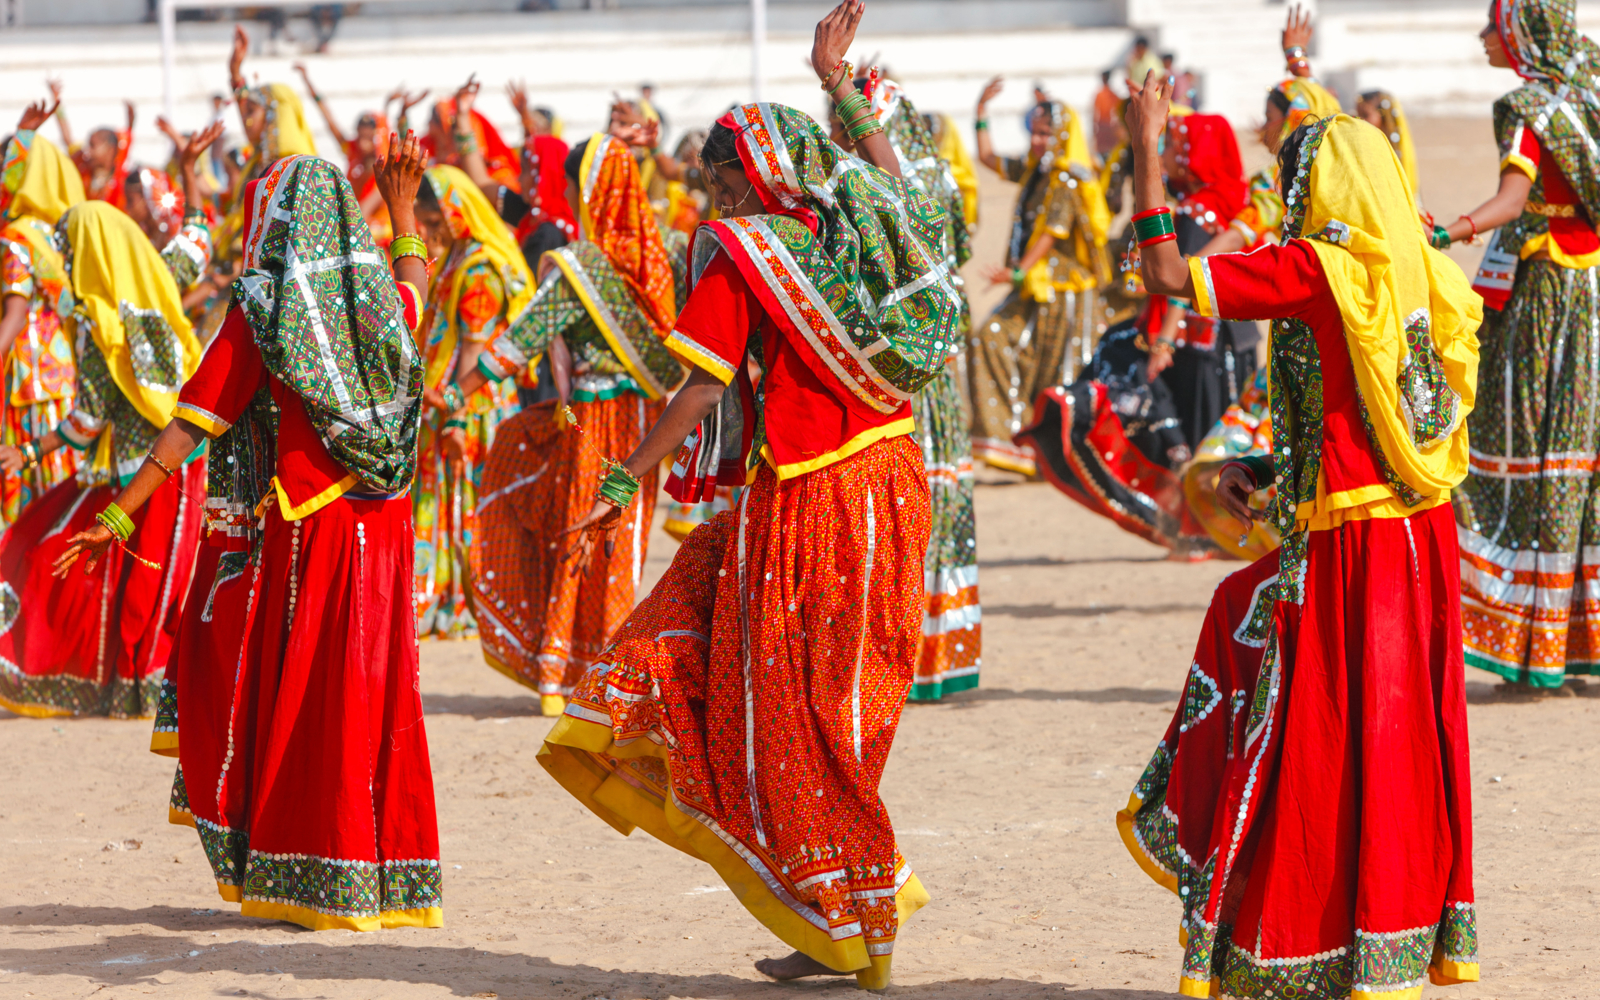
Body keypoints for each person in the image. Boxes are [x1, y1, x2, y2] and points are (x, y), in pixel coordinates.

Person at [537, 3, 959, 988]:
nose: (711, 200)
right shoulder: (859, 221)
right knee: (834, 708)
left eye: (716, 181)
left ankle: (852, 902)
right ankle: (846, 898)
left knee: (783, 710)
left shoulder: (747, 254)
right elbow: (906, 197)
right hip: (894, 487)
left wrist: (620, 477)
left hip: (810, 506)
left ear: (743, 179)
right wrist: (839, 85)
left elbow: (697, 386)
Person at [1117, 70, 1480, 999]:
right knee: (1386, 741)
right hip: (1415, 537)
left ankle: (1296, 926)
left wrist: (1145, 147)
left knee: (1326, 733)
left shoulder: (1322, 268)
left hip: (1355, 552)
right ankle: (1371, 939)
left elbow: (1165, 273)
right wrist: (1283, 477)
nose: (1290, 203)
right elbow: (1383, 411)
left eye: (1299, 182)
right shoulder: (1415, 268)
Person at [59, 141, 441, 932]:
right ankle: (374, 879)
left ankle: (308, 876)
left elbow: (194, 419)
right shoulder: (375, 301)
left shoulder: (267, 310)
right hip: (385, 523)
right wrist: (401, 208)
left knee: (308, 698)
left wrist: (119, 514)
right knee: (371, 692)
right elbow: (415, 286)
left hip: (314, 526)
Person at [440, 129, 686, 714]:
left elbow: (520, 340)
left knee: (584, 535)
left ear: (590, 192)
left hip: (591, 424)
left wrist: (456, 394)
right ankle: (608, 673)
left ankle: (569, 672)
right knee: (622, 542)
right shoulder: (660, 259)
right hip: (648, 420)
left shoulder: (582, 269)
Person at [0, 116, 221, 719]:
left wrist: (33, 451)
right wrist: (191, 175)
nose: (64, 259)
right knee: (173, 583)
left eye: (70, 250)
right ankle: (164, 685)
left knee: (61, 555)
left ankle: (134, 689)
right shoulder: (161, 280)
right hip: (194, 460)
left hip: (137, 475)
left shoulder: (103, 327)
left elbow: (89, 421)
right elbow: (198, 238)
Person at [1441, 0, 1600, 695]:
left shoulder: (1530, 109)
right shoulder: (1589, 97)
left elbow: (1514, 198)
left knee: (1521, 450)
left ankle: (1534, 652)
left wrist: (1452, 230)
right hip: (1590, 290)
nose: (1482, 39)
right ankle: (1580, 643)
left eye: (1492, 27)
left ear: (1522, 35)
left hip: (1542, 301)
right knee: (1581, 453)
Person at [831, 69, 982, 699]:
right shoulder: (938, 180)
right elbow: (964, 252)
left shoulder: (873, 190)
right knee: (937, 507)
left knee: (890, 513)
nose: (835, 132)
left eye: (844, 123)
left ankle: (886, 661)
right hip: (940, 376)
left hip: (896, 370)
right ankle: (937, 660)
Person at [411, 161, 534, 639]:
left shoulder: (480, 266)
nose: (433, 229)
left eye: (436, 219)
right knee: (450, 499)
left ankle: (466, 598)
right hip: (448, 398)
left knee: (469, 500)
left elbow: (476, 346)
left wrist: (456, 411)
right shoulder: (461, 255)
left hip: (473, 403)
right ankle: (448, 594)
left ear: (456, 210)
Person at [968, 76, 1112, 475]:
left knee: (1054, 375)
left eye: (1046, 134)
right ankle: (1014, 445)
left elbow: (1053, 230)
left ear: (1061, 136)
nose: (1037, 141)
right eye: (1035, 133)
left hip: (1065, 292)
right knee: (993, 339)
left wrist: (1017, 271)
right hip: (1037, 286)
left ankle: (1052, 460)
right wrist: (981, 112)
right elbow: (987, 159)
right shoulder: (1035, 170)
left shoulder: (1066, 177)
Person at [0, 101, 85, 527]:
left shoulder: (16, 238)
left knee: (33, 491)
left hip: (28, 378)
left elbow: (14, 318)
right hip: (65, 373)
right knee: (63, 483)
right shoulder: (57, 237)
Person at [1356, 89, 1419, 195]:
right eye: (1356, 114)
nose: (1359, 120)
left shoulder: (1390, 150)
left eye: (1365, 115)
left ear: (1383, 116)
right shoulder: (1359, 142)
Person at [1092, 69, 1123, 157]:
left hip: (1103, 126)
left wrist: (1094, 128)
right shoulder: (1113, 94)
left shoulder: (1101, 94)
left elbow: (1095, 112)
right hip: (1109, 127)